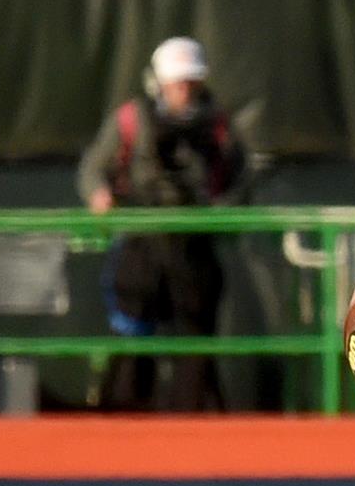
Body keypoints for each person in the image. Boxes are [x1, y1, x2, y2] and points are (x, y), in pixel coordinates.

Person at [76, 36, 253, 411]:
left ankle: (196, 423)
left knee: (196, 339)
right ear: (158, 82)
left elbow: (240, 179)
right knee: (133, 334)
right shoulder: (130, 120)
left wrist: (224, 209)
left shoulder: (219, 126)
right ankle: (125, 417)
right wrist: (99, 195)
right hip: (142, 241)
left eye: (191, 81)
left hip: (195, 244)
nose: (184, 90)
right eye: (177, 82)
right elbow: (94, 169)